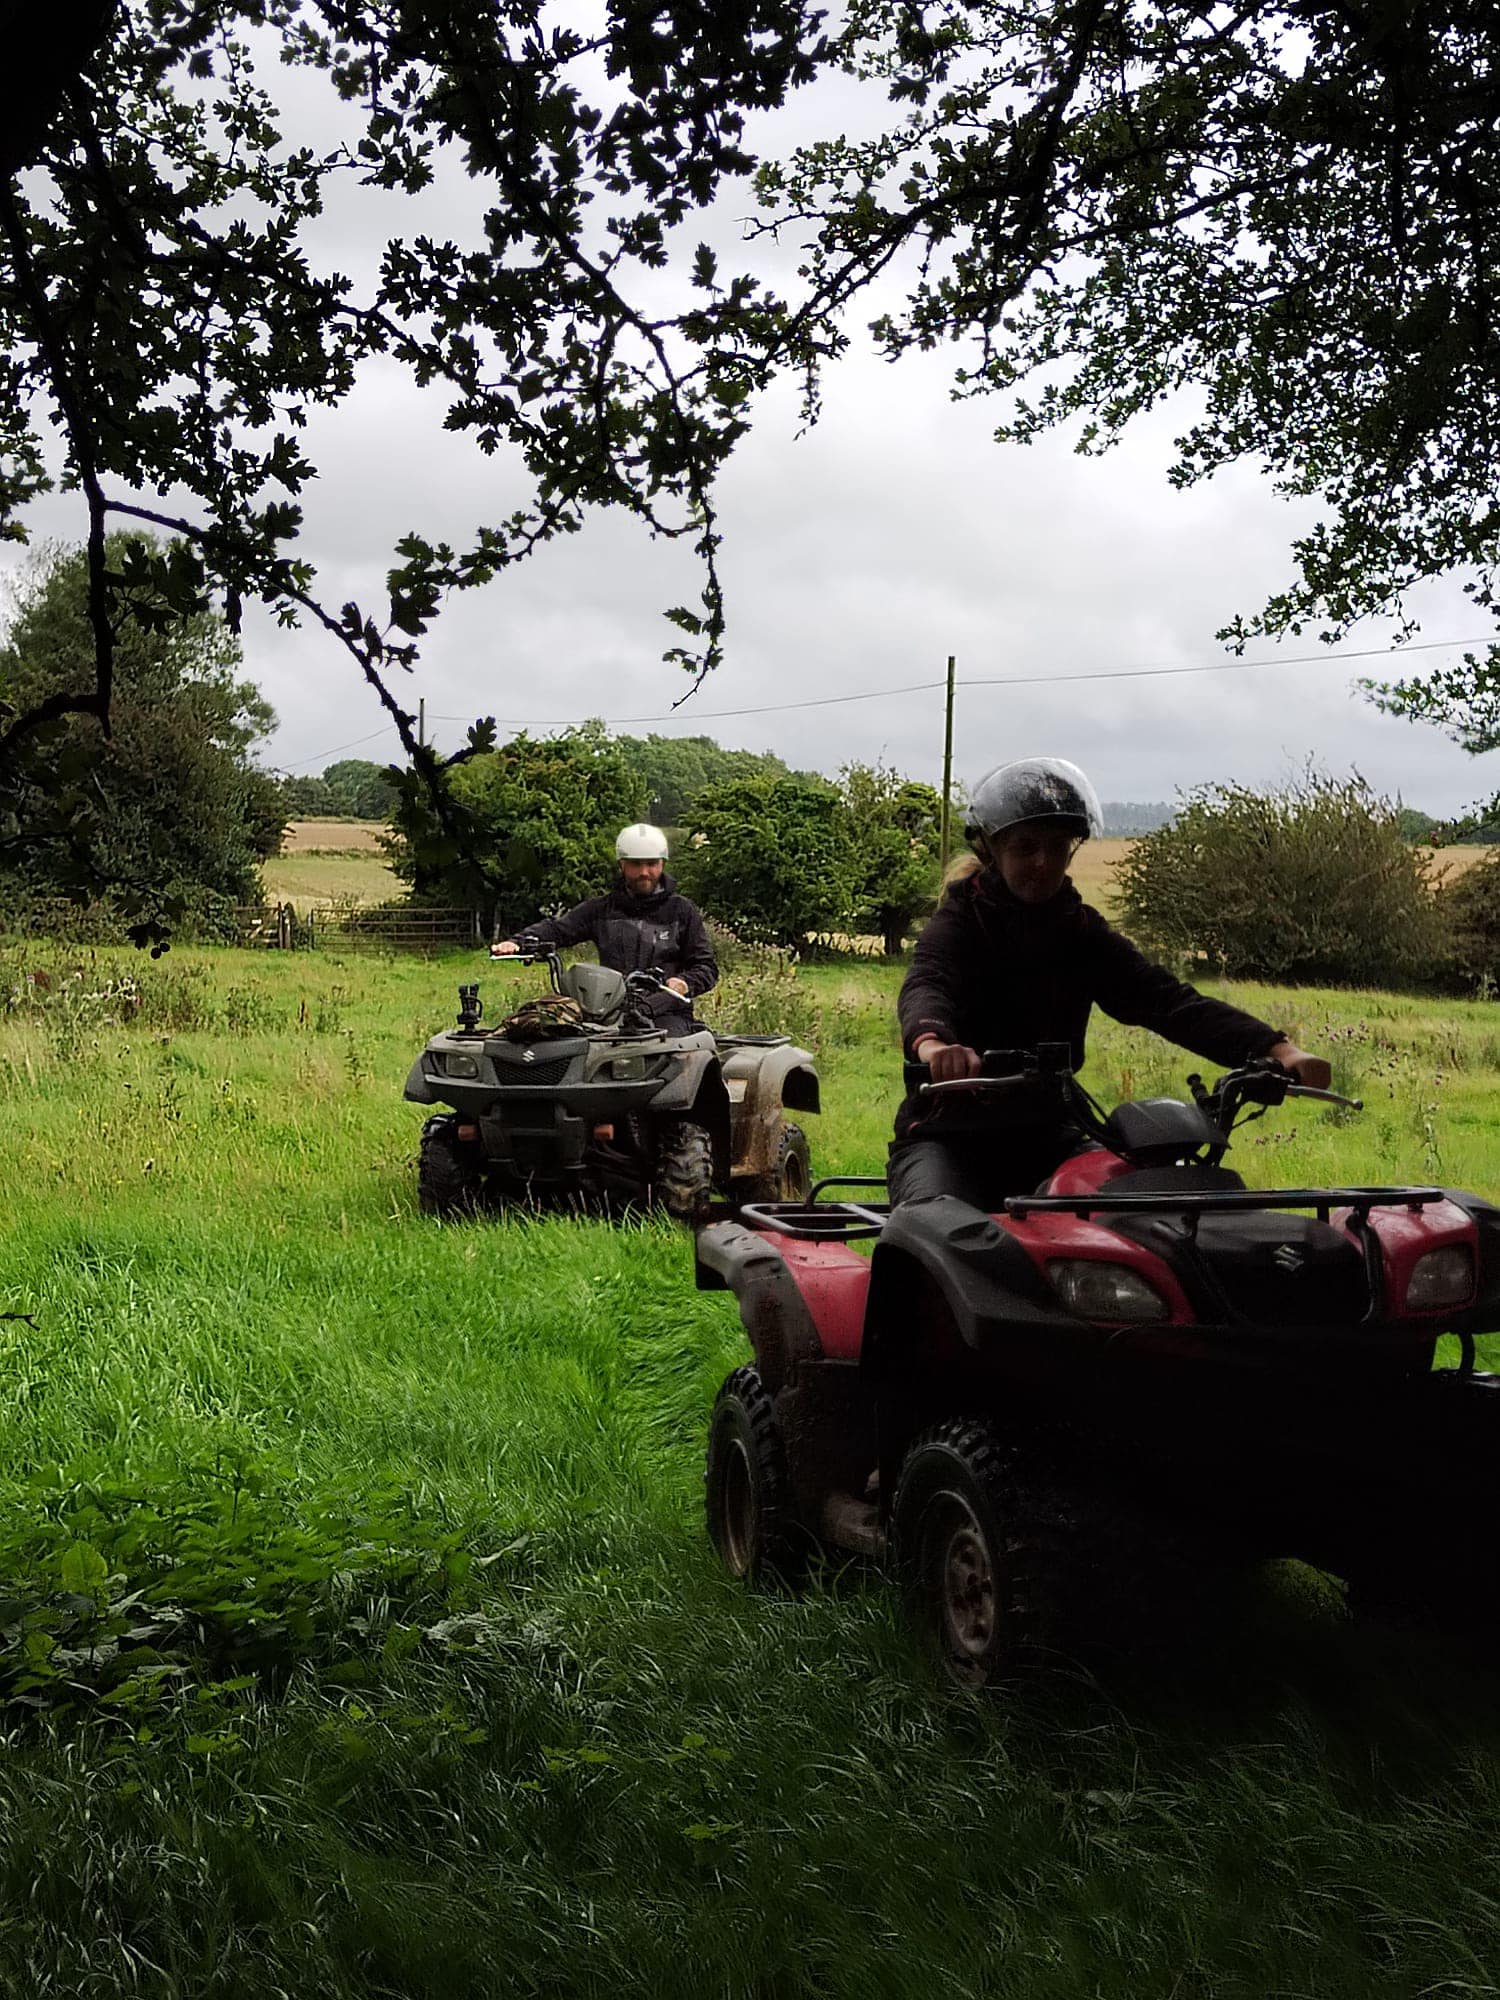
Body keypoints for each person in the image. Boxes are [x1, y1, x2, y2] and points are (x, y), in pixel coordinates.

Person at [891, 757, 1333, 1208]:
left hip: (1050, 1133)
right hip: (945, 1136)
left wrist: (1276, 1049)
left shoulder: (1080, 932)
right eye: (1026, 847)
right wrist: (933, 1045)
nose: (1042, 863)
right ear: (991, 850)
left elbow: (1168, 1002)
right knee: (936, 1228)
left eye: (1057, 847)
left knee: (1137, 1216)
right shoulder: (960, 923)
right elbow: (928, 983)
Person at [491, 822, 718, 1030]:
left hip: (667, 1013)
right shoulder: (602, 908)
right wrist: (517, 942)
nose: (644, 872)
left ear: (663, 864)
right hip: (607, 1011)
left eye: (651, 864)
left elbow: (706, 967)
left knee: (672, 1058)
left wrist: (683, 983)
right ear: (622, 864)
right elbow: (558, 930)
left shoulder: (682, 910)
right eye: (636, 864)